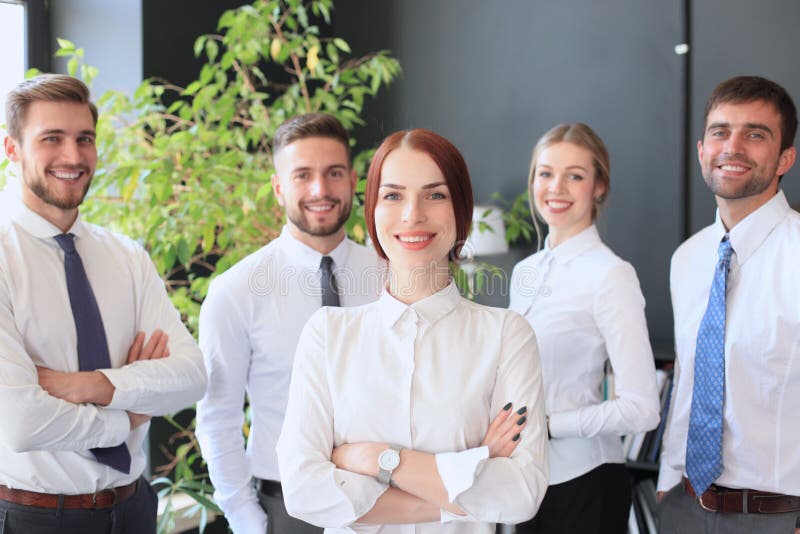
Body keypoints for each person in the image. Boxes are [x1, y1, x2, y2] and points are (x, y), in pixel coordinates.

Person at [276, 128, 549, 533]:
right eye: (393, 195)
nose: (412, 214)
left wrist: (376, 459)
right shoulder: (328, 334)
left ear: (462, 211)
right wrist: (466, 473)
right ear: (372, 211)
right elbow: (302, 491)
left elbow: (521, 495)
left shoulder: (506, 334)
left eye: (435, 194)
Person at [0, 74, 207, 533]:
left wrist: (92, 386)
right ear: (12, 148)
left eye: (84, 139)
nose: (72, 156)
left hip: (134, 509)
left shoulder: (126, 256)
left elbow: (192, 376)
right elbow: (21, 422)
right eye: (51, 139)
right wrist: (129, 414)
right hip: (35, 517)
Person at [195, 113, 381, 534]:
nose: (320, 190)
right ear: (279, 187)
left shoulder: (389, 278)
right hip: (288, 509)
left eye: (333, 173)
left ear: (352, 179)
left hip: (389, 500)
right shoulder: (235, 291)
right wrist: (247, 520)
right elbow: (217, 417)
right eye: (302, 175)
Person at [657, 75, 800, 532]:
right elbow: (688, 379)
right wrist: (667, 479)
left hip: (780, 515)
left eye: (755, 134)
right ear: (702, 149)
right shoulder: (687, 259)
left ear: (785, 158)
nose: (733, 146)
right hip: (685, 506)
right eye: (721, 131)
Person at [509, 123, 660, 533]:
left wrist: (552, 425)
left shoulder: (610, 275)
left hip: (586, 482)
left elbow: (642, 408)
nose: (556, 187)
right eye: (545, 173)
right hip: (528, 480)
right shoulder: (525, 272)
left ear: (599, 187)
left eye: (574, 175)